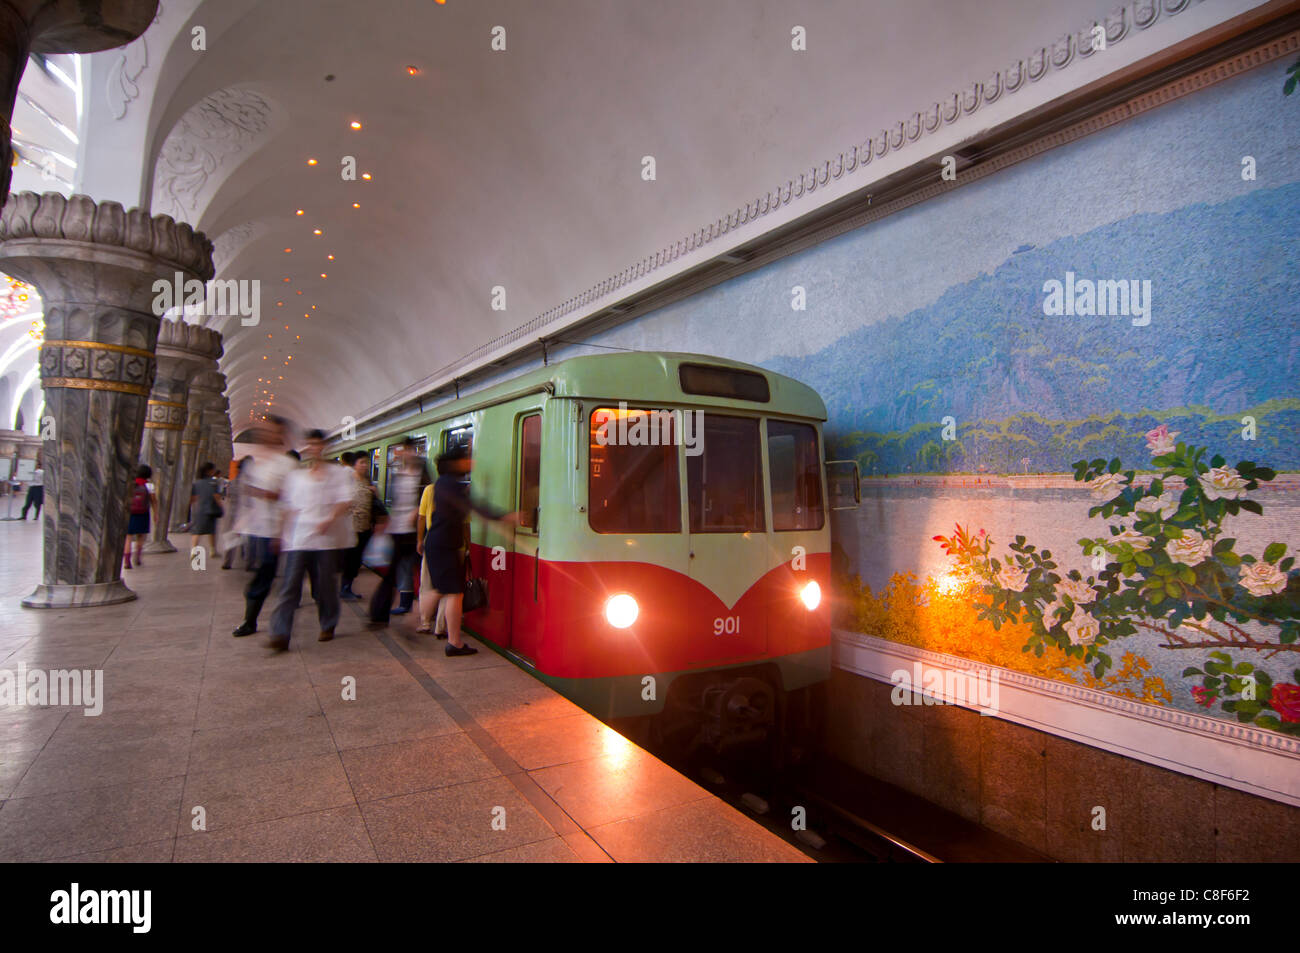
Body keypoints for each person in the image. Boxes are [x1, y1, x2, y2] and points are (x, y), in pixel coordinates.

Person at [422, 446, 518, 656]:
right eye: (467, 459)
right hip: (444, 545)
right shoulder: (450, 485)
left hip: (441, 544)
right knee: (452, 593)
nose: (471, 462)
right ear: (456, 463)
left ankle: (443, 636)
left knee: (446, 591)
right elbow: (476, 507)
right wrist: (507, 516)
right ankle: (450, 640)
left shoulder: (444, 483)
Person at [267, 430, 356, 651]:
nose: (314, 448)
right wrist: (279, 534)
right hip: (298, 539)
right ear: (306, 447)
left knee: (325, 586)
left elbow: (345, 501)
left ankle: (328, 623)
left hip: (326, 540)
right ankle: (280, 633)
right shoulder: (295, 477)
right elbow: (287, 507)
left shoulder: (338, 474)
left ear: (324, 446)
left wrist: (329, 519)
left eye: (317, 444)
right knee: (289, 586)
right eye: (310, 444)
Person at [232, 417, 296, 637]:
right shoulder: (253, 462)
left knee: (269, 574)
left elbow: (291, 499)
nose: (268, 434)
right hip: (255, 529)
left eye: (273, 431)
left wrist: (280, 532)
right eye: (266, 430)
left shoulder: (287, 465)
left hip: (278, 531)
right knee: (261, 573)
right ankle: (250, 617)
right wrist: (239, 524)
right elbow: (244, 498)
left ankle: (258, 621)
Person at [368, 438, 430, 624]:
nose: (404, 454)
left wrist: (417, 510)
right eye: (402, 450)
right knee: (392, 573)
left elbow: (429, 498)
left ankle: (426, 614)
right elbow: (394, 502)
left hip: (417, 531)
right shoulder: (398, 474)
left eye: (408, 450)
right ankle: (379, 614)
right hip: (398, 531)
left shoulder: (423, 474)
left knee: (425, 572)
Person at [415, 457, 451, 636]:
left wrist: (420, 540)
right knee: (448, 588)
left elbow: (421, 517)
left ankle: (425, 622)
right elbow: (466, 524)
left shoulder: (430, 490)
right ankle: (441, 627)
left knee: (427, 584)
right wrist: (467, 547)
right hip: (453, 546)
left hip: (433, 542)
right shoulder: (460, 491)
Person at [340, 452, 381, 600]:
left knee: (356, 560)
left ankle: (347, 587)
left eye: (366, 463)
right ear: (355, 465)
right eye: (361, 462)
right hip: (351, 527)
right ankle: (344, 588)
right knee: (350, 559)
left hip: (365, 527)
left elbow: (375, 504)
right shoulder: (348, 481)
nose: (364, 465)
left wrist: (375, 493)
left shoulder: (368, 481)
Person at [221, 456, 254, 570]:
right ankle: (249, 564)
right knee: (248, 539)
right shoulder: (251, 482)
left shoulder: (233, 481)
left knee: (231, 538)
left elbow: (229, 496)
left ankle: (227, 562)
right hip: (245, 513)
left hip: (232, 512)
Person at [123, 464, 157, 570]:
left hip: (130, 513)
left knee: (128, 537)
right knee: (140, 536)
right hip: (143, 513)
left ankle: (127, 561)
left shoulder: (131, 484)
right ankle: (137, 557)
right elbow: (153, 501)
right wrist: (156, 513)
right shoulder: (149, 486)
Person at [189, 462, 224, 558]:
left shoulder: (197, 483)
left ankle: (193, 552)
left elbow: (193, 498)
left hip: (200, 510)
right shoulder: (213, 483)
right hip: (211, 509)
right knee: (212, 530)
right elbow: (216, 496)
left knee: (196, 531)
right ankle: (212, 550)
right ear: (209, 471)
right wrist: (221, 506)